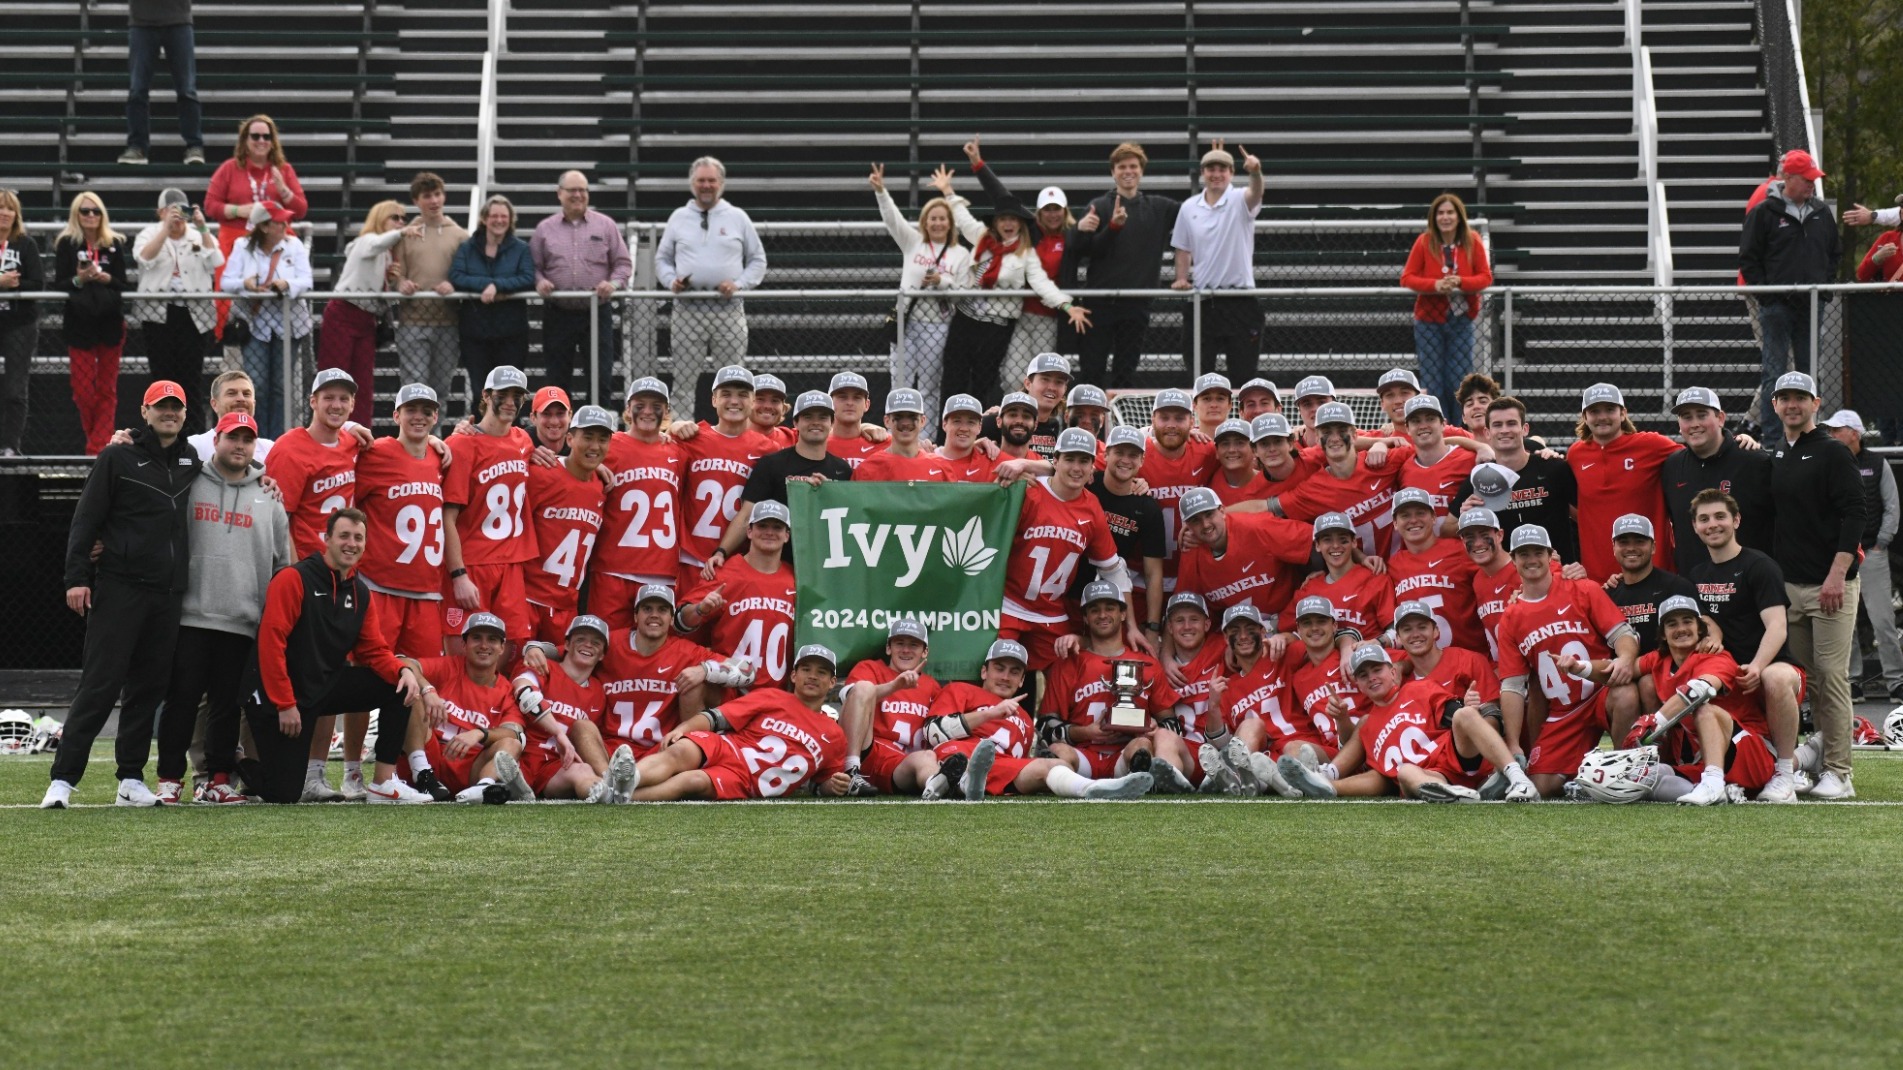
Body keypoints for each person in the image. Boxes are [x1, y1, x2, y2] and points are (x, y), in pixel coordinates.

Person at [42, 381, 200, 808]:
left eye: (176, 407)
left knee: (147, 691)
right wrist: (77, 577)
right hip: (119, 587)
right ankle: (62, 779)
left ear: (185, 414)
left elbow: (239, 458)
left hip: (167, 595)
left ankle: (130, 777)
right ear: (145, 411)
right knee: (99, 685)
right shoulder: (117, 456)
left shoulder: (192, 459)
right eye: (161, 407)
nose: (170, 413)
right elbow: (85, 520)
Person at [238, 508, 434, 804]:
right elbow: (271, 643)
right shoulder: (294, 578)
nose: (351, 543)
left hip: (321, 687)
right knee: (284, 794)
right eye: (344, 536)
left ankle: (383, 782)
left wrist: (401, 671)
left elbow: (373, 650)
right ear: (326, 539)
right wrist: (285, 704)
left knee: (397, 688)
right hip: (278, 694)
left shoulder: (360, 592)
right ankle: (235, 760)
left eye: (358, 537)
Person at [159, 410, 290, 803]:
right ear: (215, 440)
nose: (239, 445)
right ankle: (168, 779)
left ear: (255, 446)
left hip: (244, 619)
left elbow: (282, 564)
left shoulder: (268, 496)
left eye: (247, 439)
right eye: (232, 437)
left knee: (226, 707)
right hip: (191, 615)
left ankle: (217, 780)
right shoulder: (189, 481)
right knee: (181, 701)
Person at [1560, 596, 1777, 805]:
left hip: (1751, 752)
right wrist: (1581, 668)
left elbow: (1699, 690)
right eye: (1672, 624)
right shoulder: (1659, 659)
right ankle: (1727, 793)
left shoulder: (1716, 657)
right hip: (1708, 757)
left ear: (1700, 628)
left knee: (1704, 709)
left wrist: (1655, 721)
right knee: (1649, 777)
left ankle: (1713, 783)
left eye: (1687, 621)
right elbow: (1620, 670)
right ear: (1663, 634)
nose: (1681, 628)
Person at [1767, 372, 1865, 799]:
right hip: (1790, 586)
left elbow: (1855, 513)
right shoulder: (1779, 455)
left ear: (1816, 403)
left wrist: (1836, 575)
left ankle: (1840, 773)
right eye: (1784, 398)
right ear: (1774, 405)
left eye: (1800, 398)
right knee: (1810, 680)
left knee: (1832, 676)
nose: (1792, 405)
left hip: (1830, 586)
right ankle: (1825, 763)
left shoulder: (1832, 452)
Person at [1279, 642, 1536, 802]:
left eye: (1377, 670)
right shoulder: (1367, 725)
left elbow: (1455, 715)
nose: (1372, 678)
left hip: (1456, 756)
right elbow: (1376, 775)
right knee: (1404, 772)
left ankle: (1515, 777)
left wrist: (1470, 708)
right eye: (1364, 675)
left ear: (1393, 672)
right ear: (1357, 684)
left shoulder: (1419, 688)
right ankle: (1457, 796)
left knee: (1465, 715)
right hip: (1428, 776)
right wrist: (1342, 720)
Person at [1493, 524, 1640, 797]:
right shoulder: (1511, 618)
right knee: (1542, 787)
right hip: (1564, 710)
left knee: (1626, 694)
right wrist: (1513, 743)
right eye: (1523, 554)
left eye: (1538, 552)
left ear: (1550, 556)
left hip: (1599, 694)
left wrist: (1625, 658)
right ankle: (1584, 775)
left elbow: (1622, 634)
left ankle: (1620, 771)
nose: (1531, 560)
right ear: (1512, 560)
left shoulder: (1583, 589)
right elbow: (1513, 686)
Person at [1684, 488, 1810, 802]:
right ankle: (1807, 756)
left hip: (1771, 668)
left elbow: (1778, 628)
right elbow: (1703, 620)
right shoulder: (1696, 574)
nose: (1712, 524)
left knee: (1775, 677)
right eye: (1704, 519)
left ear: (1736, 520)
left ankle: (1786, 775)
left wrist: (1757, 665)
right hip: (1727, 676)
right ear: (1695, 527)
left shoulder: (1759, 566)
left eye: (1720, 517)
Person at [918, 639, 1153, 800]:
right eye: (999, 668)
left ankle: (1093, 789)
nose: (1005, 677)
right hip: (959, 755)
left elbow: (1021, 760)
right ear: (983, 672)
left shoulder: (1024, 718)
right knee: (971, 757)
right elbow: (933, 733)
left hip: (1003, 766)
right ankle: (961, 781)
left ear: (1022, 681)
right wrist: (989, 713)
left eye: (1014, 672)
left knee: (1054, 765)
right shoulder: (960, 690)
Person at [930, 166, 1086, 407]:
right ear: (997, 222)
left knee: (983, 381)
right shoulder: (983, 237)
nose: (1008, 223)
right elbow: (962, 217)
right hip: (966, 318)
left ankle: (979, 436)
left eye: (1013, 219)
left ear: (1020, 224)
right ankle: (943, 441)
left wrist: (1067, 306)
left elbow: (1042, 283)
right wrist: (948, 191)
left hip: (997, 326)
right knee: (953, 380)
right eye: (1003, 218)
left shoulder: (1026, 253)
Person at [619, 643, 850, 801]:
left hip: (745, 780)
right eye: (806, 669)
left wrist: (834, 785)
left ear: (832, 682)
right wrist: (682, 729)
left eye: (821, 673)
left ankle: (623, 797)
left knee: (693, 780)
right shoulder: (772, 696)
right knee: (682, 749)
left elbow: (822, 783)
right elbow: (716, 718)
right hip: (730, 747)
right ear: (793, 676)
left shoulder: (834, 735)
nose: (812, 676)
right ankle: (625, 778)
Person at [1000, 429, 1137, 674]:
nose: (1077, 468)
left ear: (1093, 466)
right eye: (1070, 459)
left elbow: (1113, 568)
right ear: (1055, 461)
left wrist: (1133, 627)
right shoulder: (1028, 491)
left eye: (1084, 461)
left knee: (1070, 671)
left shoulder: (1091, 506)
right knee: (997, 667)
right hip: (1008, 604)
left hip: (1050, 612)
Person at [1040, 581, 1195, 792]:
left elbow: (1171, 723)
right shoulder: (1068, 663)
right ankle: (1086, 789)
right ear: (1085, 617)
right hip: (1083, 755)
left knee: (1142, 747)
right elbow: (1046, 726)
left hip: (1125, 754)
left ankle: (1129, 780)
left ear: (1123, 614)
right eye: (1095, 610)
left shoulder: (1147, 664)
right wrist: (1085, 732)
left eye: (1110, 608)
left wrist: (1152, 728)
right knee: (1057, 751)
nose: (1103, 615)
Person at [958, 137, 1080, 388]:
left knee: (1044, 377)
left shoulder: (1073, 236)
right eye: (1047, 209)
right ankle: (1013, 419)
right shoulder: (1030, 232)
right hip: (1022, 312)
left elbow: (1098, 247)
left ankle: (1043, 423)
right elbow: (1001, 195)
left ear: (1065, 211)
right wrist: (978, 164)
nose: (1052, 214)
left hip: (1049, 317)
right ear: (1038, 212)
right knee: (1014, 377)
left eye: (1057, 209)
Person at [656, 157, 766, 419]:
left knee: (733, 381)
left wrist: (739, 284)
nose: (706, 185)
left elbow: (757, 260)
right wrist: (672, 281)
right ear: (692, 183)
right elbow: (662, 259)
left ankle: (734, 431)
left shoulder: (738, 217)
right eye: (701, 180)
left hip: (728, 310)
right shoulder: (678, 217)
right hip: (687, 309)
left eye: (711, 180)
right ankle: (681, 433)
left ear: (721, 183)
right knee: (682, 380)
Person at [591, 583, 752, 760]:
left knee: (694, 683)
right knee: (583, 727)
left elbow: (748, 670)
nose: (654, 615)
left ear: (671, 617)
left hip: (661, 751)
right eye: (647, 609)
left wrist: (705, 670)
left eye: (662, 610)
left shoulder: (685, 652)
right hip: (609, 747)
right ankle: (607, 781)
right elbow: (564, 654)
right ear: (635, 616)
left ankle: (618, 782)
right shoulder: (609, 642)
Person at [1739, 149, 1840, 426]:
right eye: (1806, 178)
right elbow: (1749, 258)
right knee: (1775, 371)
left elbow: (1834, 253)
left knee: (1809, 371)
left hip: (1811, 302)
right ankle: (1772, 437)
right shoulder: (1764, 211)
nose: (1811, 184)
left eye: (1813, 178)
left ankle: (1810, 431)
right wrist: (1768, 297)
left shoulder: (1820, 211)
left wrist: (1825, 290)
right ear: (1788, 178)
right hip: (1777, 306)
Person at [1069, 142, 1181, 388]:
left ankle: (1120, 426)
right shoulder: (1098, 205)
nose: (1128, 171)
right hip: (1098, 303)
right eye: (1122, 167)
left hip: (1136, 303)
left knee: (1125, 373)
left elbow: (1199, 212)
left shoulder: (1160, 207)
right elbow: (1083, 250)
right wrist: (1108, 228)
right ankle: (1089, 426)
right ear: (1113, 172)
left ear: (1141, 171)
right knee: (1092, 371)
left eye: (1133, 166)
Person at [441, 366, 537, 648]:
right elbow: (448, 517)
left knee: (513, 648)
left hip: (510, 564)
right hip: (473, 563)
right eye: (502, 395)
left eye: (517, 395)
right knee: (463, 650)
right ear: (485, 395)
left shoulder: (524, 441)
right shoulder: (462, 443)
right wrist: (458, 575)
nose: (510, 402)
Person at [870, 161, 969, 431]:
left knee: (929, 385)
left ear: (950, 223)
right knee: (899, 382)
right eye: (932, 218)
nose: (937, 223)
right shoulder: (914, 242)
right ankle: (893, 434)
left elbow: (964, 294)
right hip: (906, 322)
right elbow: (893, 220)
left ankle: (926, 437)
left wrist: (941, 281)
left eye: (942, 218)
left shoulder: (960, 254)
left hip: (938, 325)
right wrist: (881, 191)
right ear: (925, 221)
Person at [355, 383, 449, 661]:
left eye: (426, 411)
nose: (418, 416)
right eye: (411, 410)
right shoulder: (376, 453)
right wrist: (348, 428)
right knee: (366, 677)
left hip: (427, 592)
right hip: (379, 586)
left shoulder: (441, 457)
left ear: (435, 417)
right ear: (396, 416)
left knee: (424, 683)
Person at [589, 377, 684, 629]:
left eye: (656, 405)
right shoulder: (609, 446)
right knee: (605, 646)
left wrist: (682, 427)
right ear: (628, 409)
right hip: (613, 568)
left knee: (653, 651)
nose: (648, 411)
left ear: (667, 411)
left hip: (660, 570)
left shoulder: (678, 451)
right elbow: (571, 465)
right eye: (640, 404)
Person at [668, 366, 777, 585]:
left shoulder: (769, 449)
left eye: (743, 395)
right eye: (726, 394)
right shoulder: (691, 438)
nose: (734, 401)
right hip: (690, 558)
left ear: (753, 401)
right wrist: (672, 429)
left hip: (738, 560)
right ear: (714, 399)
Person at [531, 171, 632, 408]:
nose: (578, 195)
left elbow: (623, 264)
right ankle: (559, 438)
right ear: (560, 194)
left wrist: (613, 284)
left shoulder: (606, 225)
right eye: (572, 190)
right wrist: (539, 281)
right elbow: (533, 267)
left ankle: (598, 436)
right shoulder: (544, 229)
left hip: (596, 314)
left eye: (583, 190)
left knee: (600, 379)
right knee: (557, 382)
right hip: (558, 314)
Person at [1170, 139, 1265, 382]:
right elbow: (1182, 247)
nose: (1216, 174)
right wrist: (1181, 278)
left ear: (1232, 173)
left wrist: (1255, 172)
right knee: (1201, 377)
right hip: (1203, 300)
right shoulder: (1189, 206)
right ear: (1202, 173)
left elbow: (1256, 193)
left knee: (1243, 376)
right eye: (1211, 169)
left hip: (1240, 299)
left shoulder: (1239, 199)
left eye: (1222, 169)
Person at [1823, 409, 1902, 702]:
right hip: (1840, 556)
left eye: (1836, 430)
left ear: (1854, 433)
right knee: (1846, 621)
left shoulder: (1877, 463)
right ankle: (1852, 680)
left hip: (1871, 553)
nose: (1831, 435)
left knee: (1883, 619)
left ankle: (1896, 681)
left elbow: (1892, 506)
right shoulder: (1829, 462)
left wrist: (1882, 542)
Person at [506, 614, 629, 802]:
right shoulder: (543, 666)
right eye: (580, 639)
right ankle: (505, 783)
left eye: (596, 642)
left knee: (583, 771)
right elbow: (525, 694)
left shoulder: (598, 692)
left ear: (603, 654)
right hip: (523, 754)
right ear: (567, 645)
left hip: (559, 764)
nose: (588, 645)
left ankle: (607, 793)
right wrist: (558, 733)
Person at [678, 500, 798, 688]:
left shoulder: (796, 579)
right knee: (694, 686)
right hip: (728, 685)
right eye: (762, 525)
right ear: (749, 531)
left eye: (777, 527)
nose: (769, 532)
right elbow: (680, 621)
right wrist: (700, 609)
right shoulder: (725, 572)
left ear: (787, 536)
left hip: (777, 691)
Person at [204, 114, 306, 335]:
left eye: (266, 136)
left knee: (278, 293)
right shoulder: (230, 168)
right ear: (245, 141)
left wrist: (284, 190)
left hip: (277, 242)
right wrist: (238, 210)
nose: (261, 141)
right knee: (232, 297)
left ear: (273, 141)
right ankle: (234, 346)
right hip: (236, 243)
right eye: (255, 136)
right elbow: (210, 205)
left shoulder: (283, 170)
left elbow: (301, 209)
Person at [220, 201, 312, 437]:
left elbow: (306, 280)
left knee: (281, 387)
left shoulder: (294, 245)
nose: (284, 225)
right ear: (263, 226)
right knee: (257, 387)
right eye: (278, 221)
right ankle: (256, 438)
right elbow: (226, 281)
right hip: (254, 323)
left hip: (289, 324)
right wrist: (246, 284)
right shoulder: (242, 246)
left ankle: (279, 440)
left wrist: (287, 284)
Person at [1569, 383, 1679, 580]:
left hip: (1653, 571)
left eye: (1610, 409)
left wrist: (1735, 441)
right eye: (1594, 411)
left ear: (1623, 413)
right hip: (1598, 576)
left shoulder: (1651, 445)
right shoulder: (1576, 455)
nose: (1602, 417)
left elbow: (1697, 455)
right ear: (1585, 417)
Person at [524, 404, 613, 644]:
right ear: (570, 438)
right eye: (588, 438)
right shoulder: (541, 473)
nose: (595, 446)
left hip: (566, 605)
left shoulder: (602, 485)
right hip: (527, 599)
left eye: (602, 439)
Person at [1661, 386, 1775, 573]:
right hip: (1692, 586)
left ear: (1721, 418)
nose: (1695, 423)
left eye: (1702, 415)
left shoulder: (1753, 461)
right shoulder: (1672, 467)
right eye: (1687, 417)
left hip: (1747, 585)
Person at [132, 189, 221, 430]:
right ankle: (160, 434)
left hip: (194, 315)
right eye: (171, 210)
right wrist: (164, 230)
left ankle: (192, 438)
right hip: (158, 314)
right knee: (161, 378)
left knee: (191, 380)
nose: (177, 215)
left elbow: (216, 261)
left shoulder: (199, 234)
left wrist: (203, 229)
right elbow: (143, 258)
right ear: (160, 212)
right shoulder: (149, 234)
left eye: (181, 210)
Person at [320, 201, 413, 425]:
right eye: (395, 218)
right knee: (334, 378)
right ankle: (327, 430)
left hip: (367, 319)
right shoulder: (367, 240)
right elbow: (375, 244)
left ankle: (360, 432)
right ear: (380, 219)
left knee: (362, 382)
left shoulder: (387, 253)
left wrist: (389, 278)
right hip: (344, 312)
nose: (401, 223)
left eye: (403, 219)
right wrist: (402, 232)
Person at [1455, 396, 1578, 565]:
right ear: (1487, 432)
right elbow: (1447, 527)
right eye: (1497, 425)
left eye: (1511, 423)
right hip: (1507, 576)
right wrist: (1465, 515)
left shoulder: (1554, 468)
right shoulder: (1480, 477)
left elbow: (1585, 519)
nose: (1505, 430)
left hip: (1559, 573)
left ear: (1525, 429)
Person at [55, 191, 132, 455]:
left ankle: (98, 448)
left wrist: (105, 278)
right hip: (79, 323)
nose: (90, 216)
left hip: (110, 322)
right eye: (85, 211)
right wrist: (79, 279)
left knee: (107, 389)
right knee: (83, 390)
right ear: (76, 215)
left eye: (95, 211)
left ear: (102, 214)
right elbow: (59, 283)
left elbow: (124, 283)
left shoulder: (114, 243)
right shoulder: (66, 244)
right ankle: (96, 440)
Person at [1401, 193, 1492, 404]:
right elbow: (1407, 277)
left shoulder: (1473, 241)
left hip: (1461, 318)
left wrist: (1460, 282)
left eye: (1450, 212)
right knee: (1433, 382)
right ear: (1434, 217)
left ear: (1459, 216)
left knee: (1459, 380)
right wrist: (1435, 285)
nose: (1445, 217)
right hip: (1428, 321)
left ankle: (1458, 429)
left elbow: (1485, 277)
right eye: (1440, 213)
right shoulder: (1424, 242)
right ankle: (1437, 428)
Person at [266, 367, 364, 560]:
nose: (336, 405)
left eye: (344, 399)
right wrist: (295, 573)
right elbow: (278, 520)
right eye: (328, 398)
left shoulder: (355, 443)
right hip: (308, 564)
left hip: (345, 564)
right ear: (313, 402)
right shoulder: (289, 449)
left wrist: (432, 440)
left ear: (352, 404)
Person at [837, 619, 943, 796]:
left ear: (925, 652)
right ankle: (851, 772)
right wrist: (895, 686)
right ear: (888, 648)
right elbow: (851, 698)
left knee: (926, 759)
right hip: (868, 755)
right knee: (864, 687)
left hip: (904, 765)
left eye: (914, 645)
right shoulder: (870, 668)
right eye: (899, 643)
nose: (906, 650)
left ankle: (944, 785)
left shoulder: (933, 686)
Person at [1175, 485, 1315, 620]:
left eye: (1209, 515)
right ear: (1188, 526)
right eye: (1196, 521)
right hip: (1238, 630)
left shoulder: (1256, 527)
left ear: (1222, 511)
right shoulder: (1191, 548)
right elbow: (1184, 609)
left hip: (1291, 619)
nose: (1205, 524)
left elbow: (1314, 540)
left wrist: (1321, 575)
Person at [392, 172, 469, 399]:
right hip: (412, 322)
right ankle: (410, 435)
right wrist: (401, 284)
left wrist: (454, 285)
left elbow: (466, 274)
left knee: (440, 389)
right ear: (417, 201)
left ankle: (434, 435)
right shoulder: (405, 236)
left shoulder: (459, 236)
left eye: (437, 194)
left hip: (448, 322)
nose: (434, 201)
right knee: (414, 387)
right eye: (427, 196)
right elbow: (396, 273)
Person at [451, 194, 535, 399]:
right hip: (475, 333)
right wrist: (485, 286)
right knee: (481, 390)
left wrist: (498, 286)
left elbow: (528, 277)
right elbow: (456, 275)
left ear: (511, 219)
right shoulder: (467, 248)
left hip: (511, 333)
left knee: (510, 391)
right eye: (494, 216)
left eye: (504, 216)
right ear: (484, 219)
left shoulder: (521, 249)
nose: (499, 220)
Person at [1386, 487, 1486, 652]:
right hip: (1426, 667)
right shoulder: (1392, 565)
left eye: (1420, 513)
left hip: (1472, 657)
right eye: (1405, 515)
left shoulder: (1459, 549)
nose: (1413, 520)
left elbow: (1496, 574)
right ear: (1395, 524)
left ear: (1433, 518)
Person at [1139, 389, 1218, 593]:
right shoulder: (1134, 455)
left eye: (1180, 418)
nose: (1172, 425)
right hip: (1140, 575)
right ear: (1152, 420)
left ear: (1192, 422)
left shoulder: (1207, 451)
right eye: (1164, 418)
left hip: (1194, 571)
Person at [1602, 513, 1699, 657]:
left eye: (1640, 541)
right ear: (1613, 548)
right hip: (1623, 676)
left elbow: (1700, 636)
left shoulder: (1677, 587)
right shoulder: (1607, 595)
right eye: (1623, 542)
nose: (1631, 548)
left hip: (1670, 675)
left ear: (1653, 547)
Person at [121, 0, 204, 165]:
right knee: (137, 89)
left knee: (186, 89)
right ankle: (138, 146)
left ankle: (194, 145)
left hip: (177, 19)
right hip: (143, 21)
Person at [0, 189, 45, 456]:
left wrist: (13, 285)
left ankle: (9, 445)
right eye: (1, 207)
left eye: (10, 208)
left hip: (19, 323)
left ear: (16, 214)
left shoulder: (25, 244)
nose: (5, 212)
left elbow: (37, 283)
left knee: (16, 389)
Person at [852, 389, 950, 482]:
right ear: (887, 421)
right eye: (898, 418)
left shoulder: (941, 468)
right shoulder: (869, 469)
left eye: (912, 417)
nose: (905, 423)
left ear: (922, 421)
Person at [185, 369, 273, 461]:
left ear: (254, 404)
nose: (241, 398)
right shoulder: (194, 446)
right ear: (214, 404)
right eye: (232, 393)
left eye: (246, 394)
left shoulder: (269, 449)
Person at [1455, 372, 1501, 438]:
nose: (1476, 406)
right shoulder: (1456, 447)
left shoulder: (1511, 446)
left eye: (1483, 401)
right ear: (1463, 418)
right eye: (1469, 404)